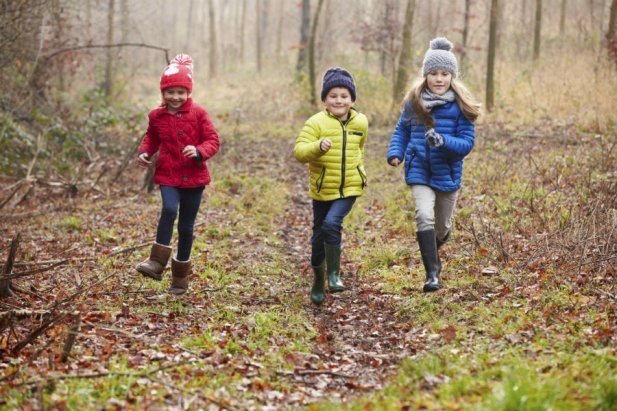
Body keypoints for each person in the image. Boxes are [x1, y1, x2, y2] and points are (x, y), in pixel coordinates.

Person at [387, 38, 481, 292]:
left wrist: (442, 141)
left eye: (444, 73)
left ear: (452, 76)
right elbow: (402, 130)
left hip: (447, 173)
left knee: (443, 227)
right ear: (425, 75)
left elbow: (466, 144)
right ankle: (432, 274)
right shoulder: (414, 100)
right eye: (433, 73)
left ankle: (437, 244)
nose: (438, 79)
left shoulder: (461, 106)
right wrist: (396, 152)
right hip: (419, 169)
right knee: (423, 215)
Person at [135, 54, 220, 295]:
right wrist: (144, 152)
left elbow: (213, 140)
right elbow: (151, 138)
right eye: (170, 92)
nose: (175, 97)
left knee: (186, 227)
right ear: (163, 93)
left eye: (181, 92)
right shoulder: (156, 116)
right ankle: (156, 261)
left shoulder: (199, 113)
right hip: (168, 174)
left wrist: (199, 150)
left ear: (188, 92)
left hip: (194, 177)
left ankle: (180, 279)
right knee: (169, 210)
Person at [294, 67, 368, 305]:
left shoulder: (361, 122)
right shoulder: (315, 123)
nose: (339, 100)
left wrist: (359, 172)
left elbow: (360, 148)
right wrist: (317, 147)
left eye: (344, 96)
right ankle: (318, 280)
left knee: (331, 223)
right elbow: (299, 152)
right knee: (318, 237)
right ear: (325, 99)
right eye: (333, 96)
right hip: (323, 188)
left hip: (350, 187)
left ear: (352, 99)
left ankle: (334, 275)